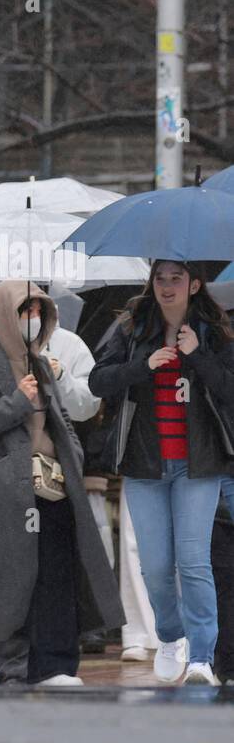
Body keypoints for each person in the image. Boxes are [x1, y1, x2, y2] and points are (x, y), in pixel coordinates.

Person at [0, 281, 124, 686]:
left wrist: (70, 451)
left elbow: (65, 419)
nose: (32, 320)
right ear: (4, 314)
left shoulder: (43, 364)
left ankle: (52, 666)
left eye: (38, 311)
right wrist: (15, 401)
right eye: (23, 311)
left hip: (55, 489)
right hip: (8, 490)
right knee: (3, 579)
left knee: (55, 576)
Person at [89, 260, 234, 685]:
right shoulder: (133, 326)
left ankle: (202, 657)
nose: (167, 287)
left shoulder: (211, 328)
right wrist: (144, 365)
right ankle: (170, 636)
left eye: (175, 279)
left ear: (194, 284)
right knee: (155, 567)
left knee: (193, 564)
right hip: (145, 465)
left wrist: (198, 356)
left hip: (199, 465)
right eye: (159, 278)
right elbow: (99, 381)